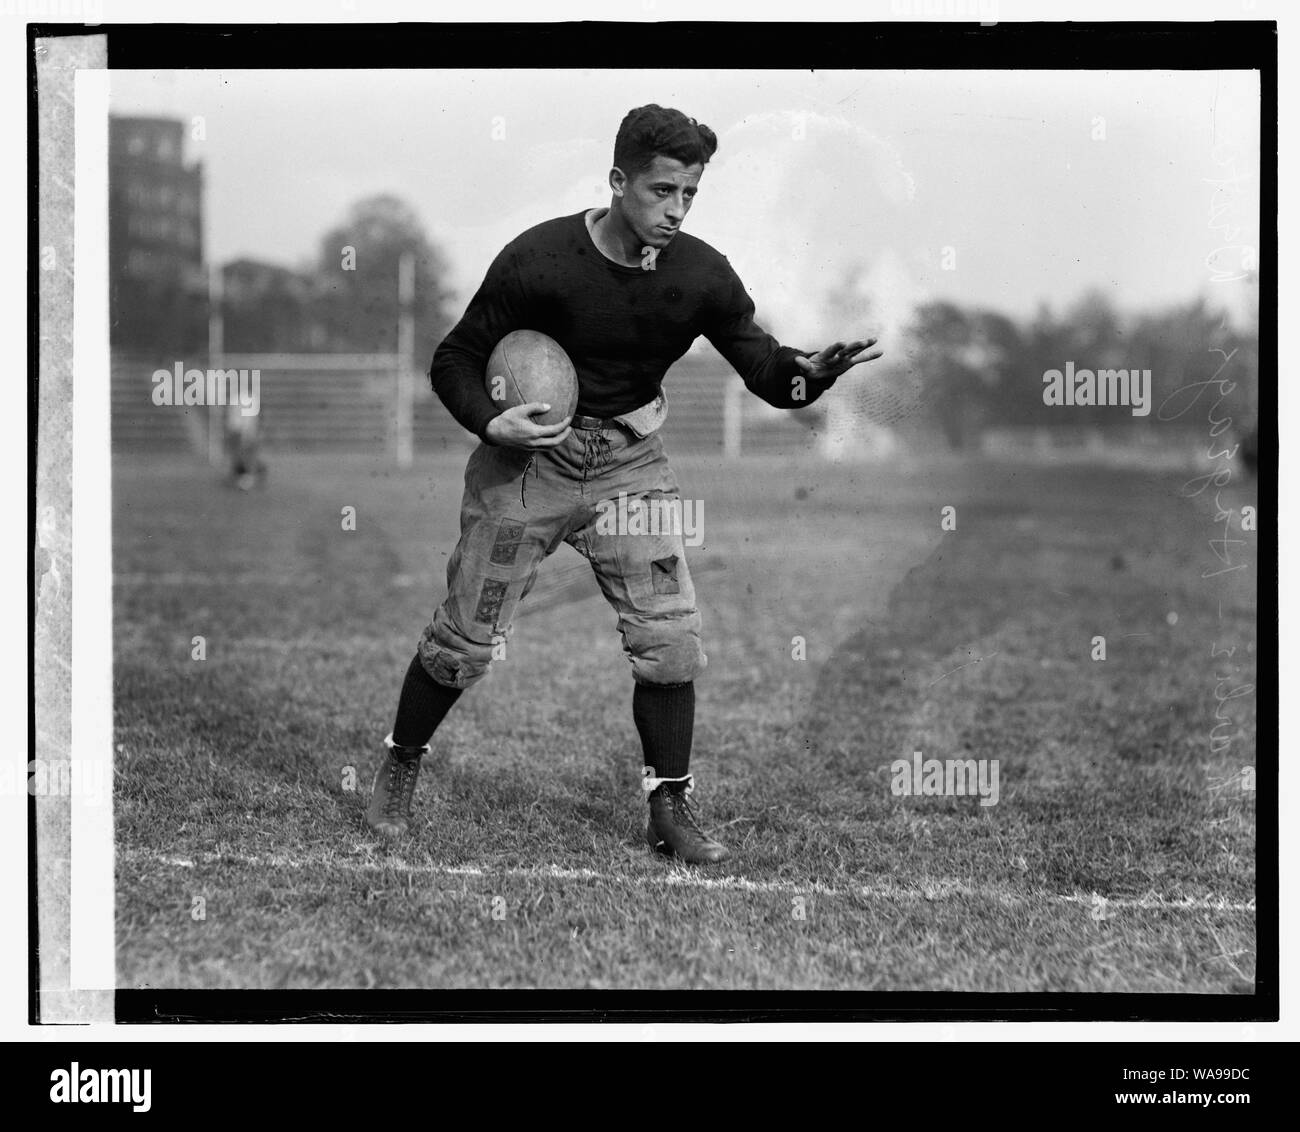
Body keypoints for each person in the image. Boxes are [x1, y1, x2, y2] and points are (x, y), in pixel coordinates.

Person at [366, 104, 883, 863]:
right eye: (661, 191)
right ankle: (400, 763)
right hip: (528, 464)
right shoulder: (539, 258)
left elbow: (770, 374)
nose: (675, 211)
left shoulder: (701, 273)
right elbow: (454, 357)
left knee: (671, 642)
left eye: (689, 196)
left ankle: (668, 808)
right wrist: (489, 421)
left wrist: (811, 376)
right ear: (617, 181)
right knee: (466, 640)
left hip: (629, 465)